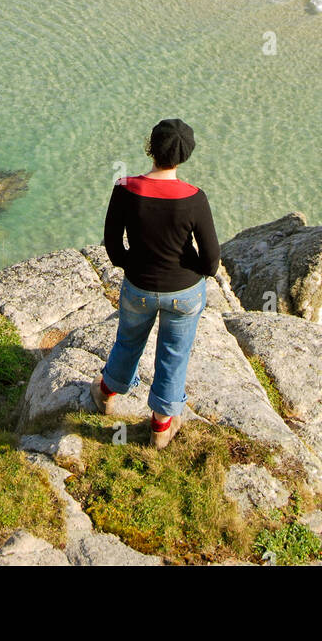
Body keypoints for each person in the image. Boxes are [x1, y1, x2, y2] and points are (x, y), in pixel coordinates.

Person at [91, 117, 220, 448]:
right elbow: (211, 261)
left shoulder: (124, 189)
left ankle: (106, 393)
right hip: (185, 292)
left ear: (151, 147)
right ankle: (161, 426)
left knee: (128, 341)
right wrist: (186, 268)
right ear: (185, 155)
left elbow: (113, 245)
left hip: (139, 287)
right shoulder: (195, 198)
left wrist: (131, 264)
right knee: (174, 353)